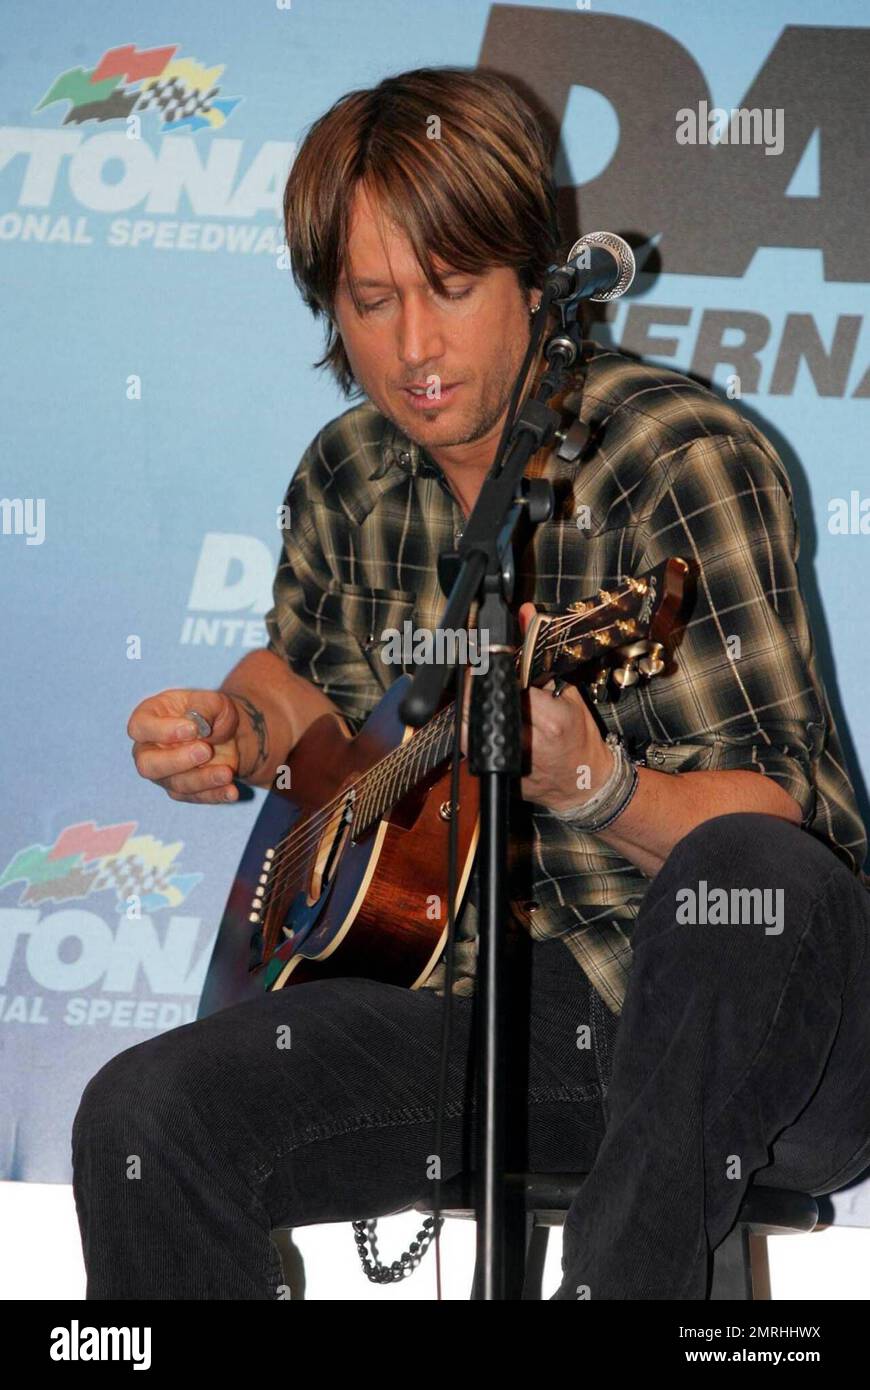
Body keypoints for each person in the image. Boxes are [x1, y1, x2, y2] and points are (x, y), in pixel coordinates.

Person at [72, 66, 870, 1301]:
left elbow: (796, 843)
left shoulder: (682, 460)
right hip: (471, 1012)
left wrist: (599, 785)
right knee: (142, 1115)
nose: (413, 347)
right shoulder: (349, 470)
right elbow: (301, 696)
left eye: (450, 290)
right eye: (371, 301)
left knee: (746, 879)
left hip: (718, 1014)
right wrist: (235, 722)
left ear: (535, 280)